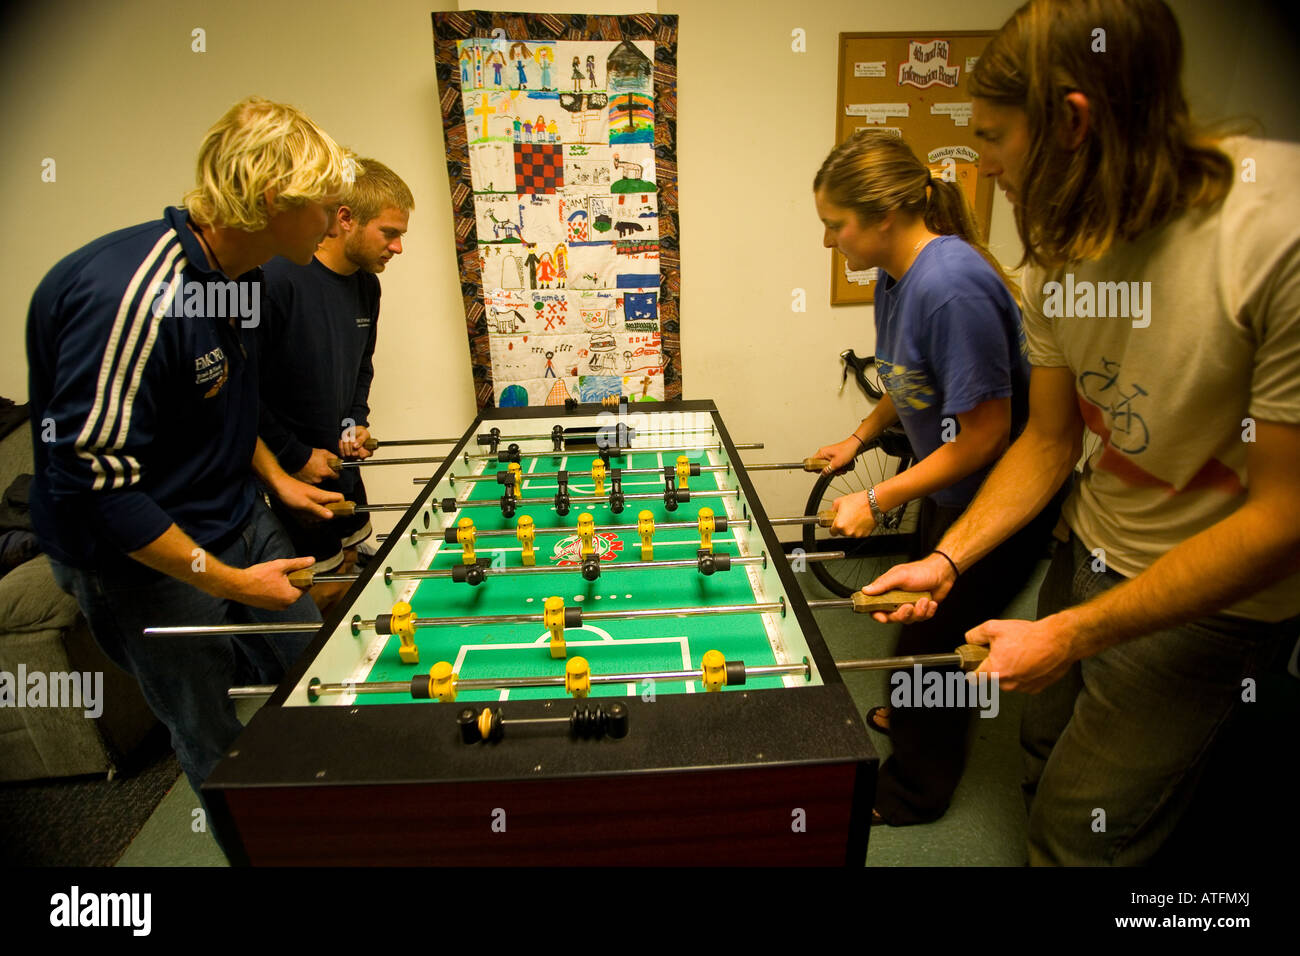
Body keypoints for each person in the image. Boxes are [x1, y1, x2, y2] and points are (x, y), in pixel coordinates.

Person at [867, 0, 1300, 864]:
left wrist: (1072, 633)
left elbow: (1284, 517)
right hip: (1086, 545)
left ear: (1071, 121)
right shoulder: (1057, 254)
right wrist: (952, 558)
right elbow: (1048, 441)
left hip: (1212, 606)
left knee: (1078, 829)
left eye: (993, 137)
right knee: (1040, 749)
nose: (981, 168)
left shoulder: (1276, 234)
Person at [26, 96, 351, 796]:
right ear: (273, 200)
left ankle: (321, 819)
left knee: (311, 677)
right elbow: (101, 488)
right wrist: (227, 582)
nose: (332, 222)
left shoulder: (243, 277)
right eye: (325, 205)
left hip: (235, 514)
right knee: (214, 735)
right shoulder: (132, 298)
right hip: (143, 561)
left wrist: (278, 476)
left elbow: (231, 391)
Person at [811, 131, 1061, 826]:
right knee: (914, 627)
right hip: (946, 489)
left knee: (937, 651)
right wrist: (857, 441)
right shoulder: (896, 275)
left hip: (999, 501)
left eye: (837, 225)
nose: (830, 241)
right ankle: (914, 710)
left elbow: (985, 439)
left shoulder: (951, 287)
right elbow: (905, 374)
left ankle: (915, 792)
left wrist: (876, 496)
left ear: (883, 217)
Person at [256, 157, 414, 610]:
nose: (398, 247)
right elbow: (242, 391)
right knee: (321, 590)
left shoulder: (368, 285)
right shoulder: (275, 279)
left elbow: (360, 367)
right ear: (345, 219)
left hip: (339, 465)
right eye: (389, 233)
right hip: (289, 473)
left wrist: (354, 424)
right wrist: (294, 457)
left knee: (350, 563)